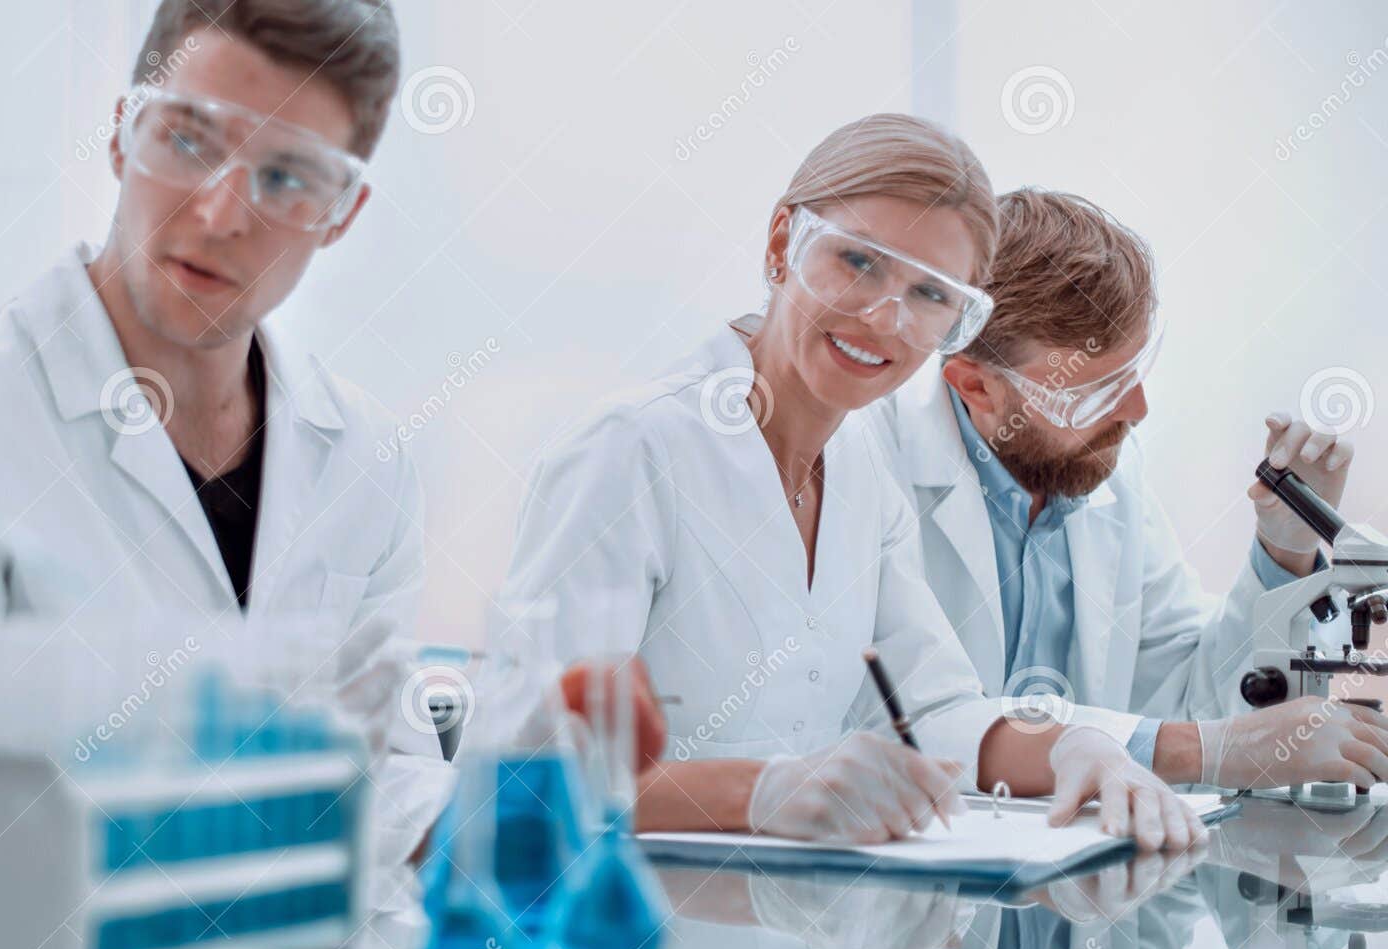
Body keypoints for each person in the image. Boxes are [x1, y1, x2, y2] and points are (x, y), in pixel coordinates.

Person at [0, 0, 453, 874]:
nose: (219, 214)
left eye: (287, 177)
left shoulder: (367, 462)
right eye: (190, 140)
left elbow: (393, 785)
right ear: (123, 134)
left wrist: (547, 784)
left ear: (342, 210)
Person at [497, 114, 1204, 852]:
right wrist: (762, 791)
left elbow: (936, 711)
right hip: (631, 939)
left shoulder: (863, 472)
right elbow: (527, 778)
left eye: (930, 295)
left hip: (808, 943)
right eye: (858, 262)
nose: (883, 318)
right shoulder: (632, 451)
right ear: (781, 246)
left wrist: (1076, 750)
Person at [864, 188, 1388, 792]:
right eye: (1094, 393)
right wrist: (1207, 748)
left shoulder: (1104, 465)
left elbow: (1191, 699)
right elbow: (927, 725)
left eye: (1136, 371)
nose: (1137, 410)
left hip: (1079, 877)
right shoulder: (873, 465)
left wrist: (1283, 550)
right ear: (977, 388)